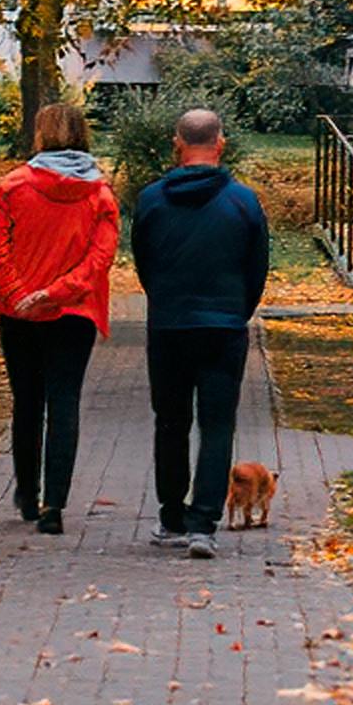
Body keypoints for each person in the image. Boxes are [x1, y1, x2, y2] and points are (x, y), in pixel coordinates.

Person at [129, 105, 267, 559]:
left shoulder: (151, 200)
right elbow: (257, 268)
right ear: (220, 143)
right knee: (217, 424)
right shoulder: (243, 202)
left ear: (178, 143)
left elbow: (144, 261)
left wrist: (164, 301)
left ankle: (171, 516)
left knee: (170, 422)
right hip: (224, 326)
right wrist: (237, 310)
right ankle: (204, 523)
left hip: (169, 325)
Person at [0, 100, 118, 535]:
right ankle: (54, 505)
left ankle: (26, 491)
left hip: (17, 311)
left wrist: (21, 294)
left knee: (27, 400)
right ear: (82, 135)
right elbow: (101, 258)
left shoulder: (13, 186)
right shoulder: (100, 194)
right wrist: (58, 292)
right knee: (64, 402)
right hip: (74, 313)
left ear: (41, 135)